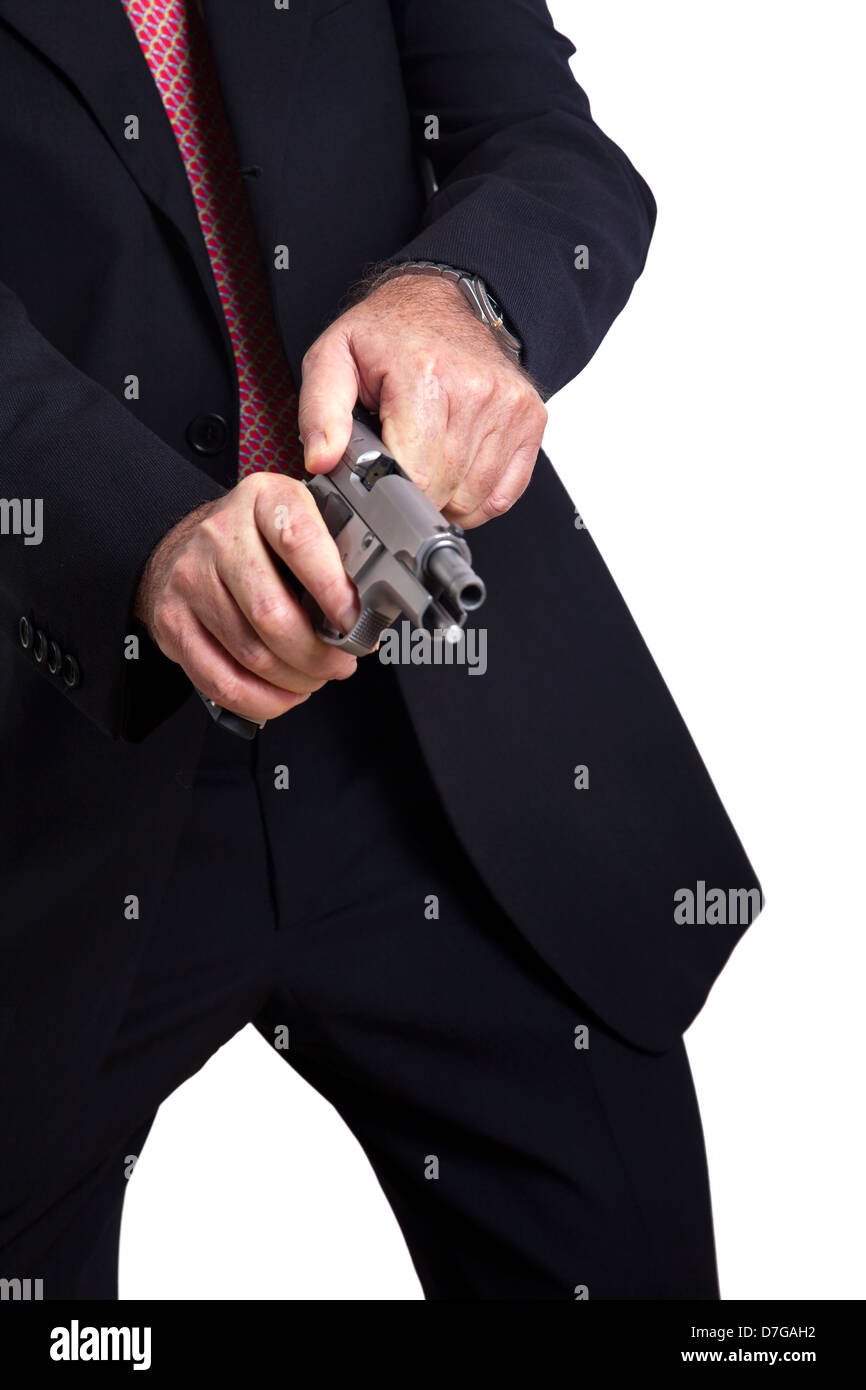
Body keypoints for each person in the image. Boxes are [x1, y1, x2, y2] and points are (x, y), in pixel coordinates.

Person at [0, 0, 761, 1300]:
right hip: (49, 755)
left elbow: (545, 146)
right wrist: (139, 535)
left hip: (449, 750)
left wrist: (458, 298)